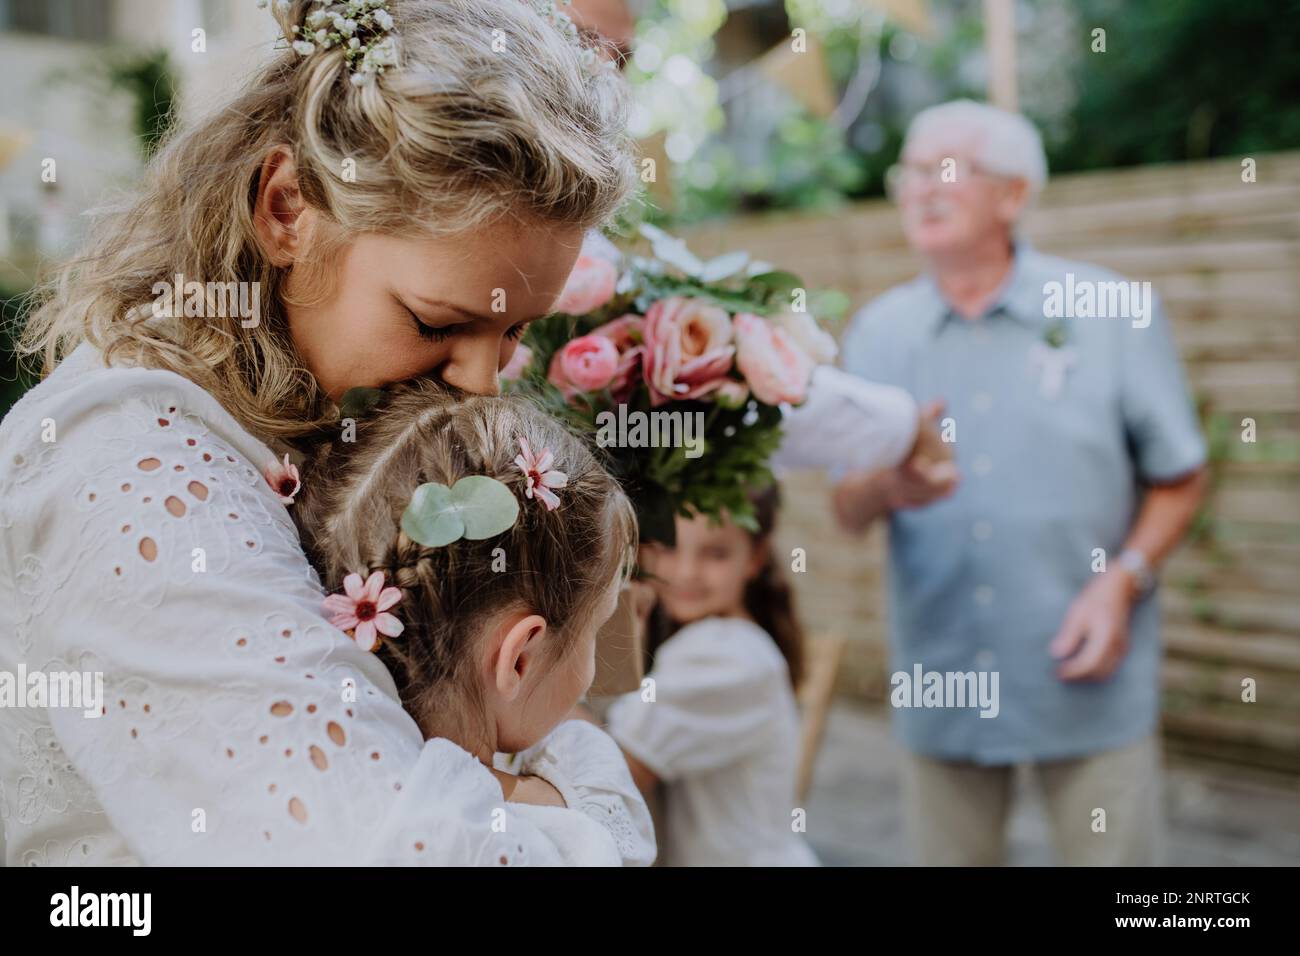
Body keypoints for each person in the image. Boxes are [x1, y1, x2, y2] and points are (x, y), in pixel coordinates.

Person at [0, 0, 635, 865]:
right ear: (287, 206)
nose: (484, 383)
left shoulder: (310, 421)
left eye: (516, 331)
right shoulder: (140, 478)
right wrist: (586, 793)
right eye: (434, 321)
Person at [833, 100, 1208, 866]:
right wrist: (888, 487)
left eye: (948, 170)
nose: (921, 189)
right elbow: (846, 507)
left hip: (1087, 675)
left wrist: (1122, 583)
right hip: (943, 679)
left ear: (1013, 194)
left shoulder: (1113, 312)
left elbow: (1181, 476)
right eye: (910, 171)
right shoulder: (877, 332)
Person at [291, 381, 654, 865]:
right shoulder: (568, 833)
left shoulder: (306, 773)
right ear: (519, 658)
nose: (590, 668)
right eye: (594, 630)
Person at [605, 487, 818, 866]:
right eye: (670, 546)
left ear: (755, 557)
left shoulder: (726, 654)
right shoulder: (716, 638)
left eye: (715, 553)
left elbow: (617, 770)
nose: (687, 572)